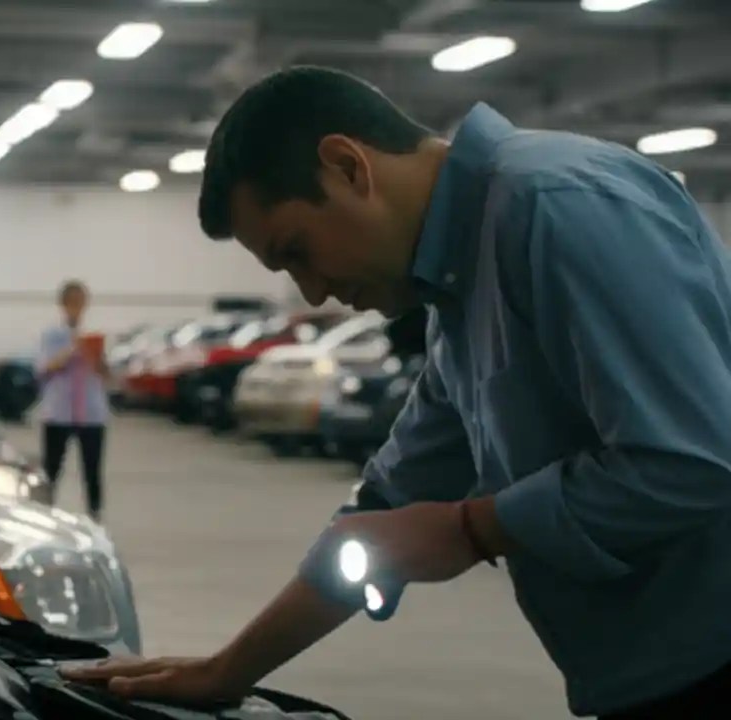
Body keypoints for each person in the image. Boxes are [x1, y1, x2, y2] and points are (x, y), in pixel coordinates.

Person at [62, 66, 731, 719]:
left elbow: (695, 459)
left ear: (348, 167)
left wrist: (470, 530)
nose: (313, 292)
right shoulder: (459, 296)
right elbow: (387, 508)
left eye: (297, 250)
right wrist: (226, 672)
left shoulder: (558, 205)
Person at [36, 280, 110, 521]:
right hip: (59, 412)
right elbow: (45, 368)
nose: (76, 308)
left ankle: (95, 514)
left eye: (80, 302)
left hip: (91, 413)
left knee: (93, 469)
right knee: (51, 469)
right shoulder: (52, 335)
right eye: (72, 303)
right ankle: (44, 513)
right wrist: (72, 349)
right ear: (63, 305)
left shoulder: (94, 335)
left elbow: (106, 375)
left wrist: (97, 358)